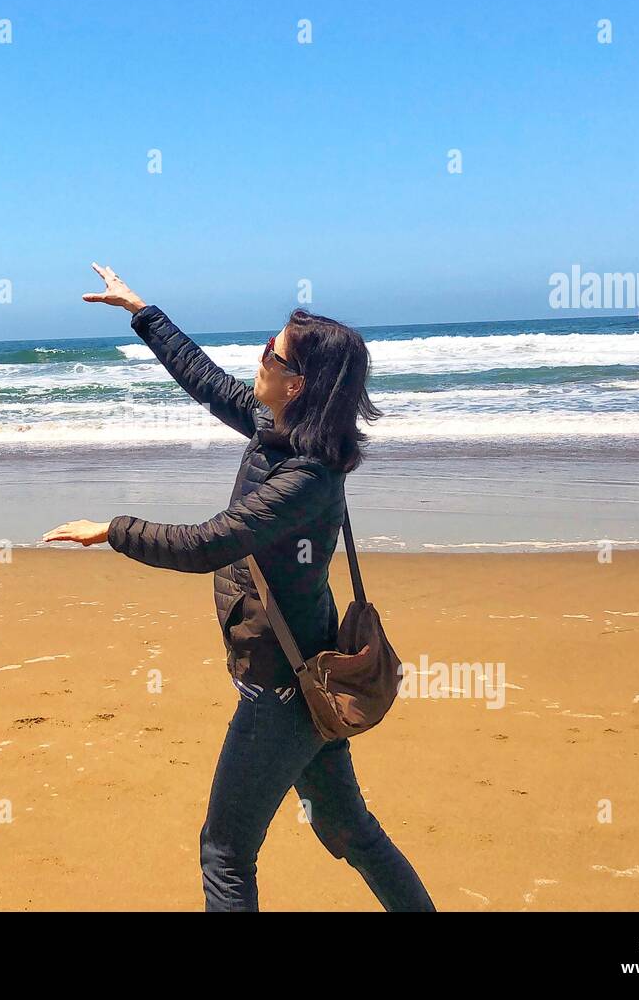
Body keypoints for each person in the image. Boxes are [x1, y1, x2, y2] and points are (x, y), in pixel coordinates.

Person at [43, 263, 435, 912]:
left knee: (225, 852)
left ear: (296, 382)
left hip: (283, 692)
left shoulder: (303, 477)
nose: (257, 358)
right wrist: (142, 311)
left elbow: (208, 543)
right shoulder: (278, 429)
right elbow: (204, 382)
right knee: (350, 829)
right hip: (305, 678)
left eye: (268, 353)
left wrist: (110, 529)